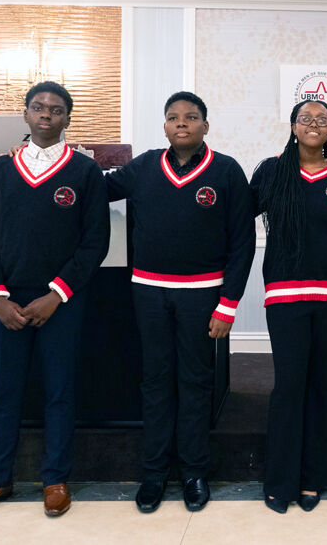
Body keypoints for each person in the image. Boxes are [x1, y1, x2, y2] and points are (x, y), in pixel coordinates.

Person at [0, 81, 110, 518]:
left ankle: (55, 479)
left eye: (57, 109)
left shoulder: (83, 172)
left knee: (59, 390)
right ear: (25, 114)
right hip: (8, 302)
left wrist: (56, 294)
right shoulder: (2, 170)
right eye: (39, 108)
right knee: (6, 391)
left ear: (67, 118)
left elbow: (93, 243)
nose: (47, 115)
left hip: (60, 302)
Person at [106, 91, 256, 513]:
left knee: (195, 384)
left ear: (206, 126)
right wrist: (56, 153)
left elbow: (243, 243)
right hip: (148, 292)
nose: (182, 123)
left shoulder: (225, 171)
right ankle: (154, 472)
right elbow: (97, 189)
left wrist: (229, 304)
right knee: (155, 381)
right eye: (173, 117)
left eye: (191, 117)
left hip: (203, 295)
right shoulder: (144, 166)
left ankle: (193, 471)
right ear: (165, 125)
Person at [250, 100, 327, 514]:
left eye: (322, 120)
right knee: (289, 386)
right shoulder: (271, 171)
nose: (314, 125)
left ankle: (314, 477)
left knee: (322, 387)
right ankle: (281, 480)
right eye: (306, 119)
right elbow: (236, 219)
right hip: (285, 295)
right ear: (293, 125)